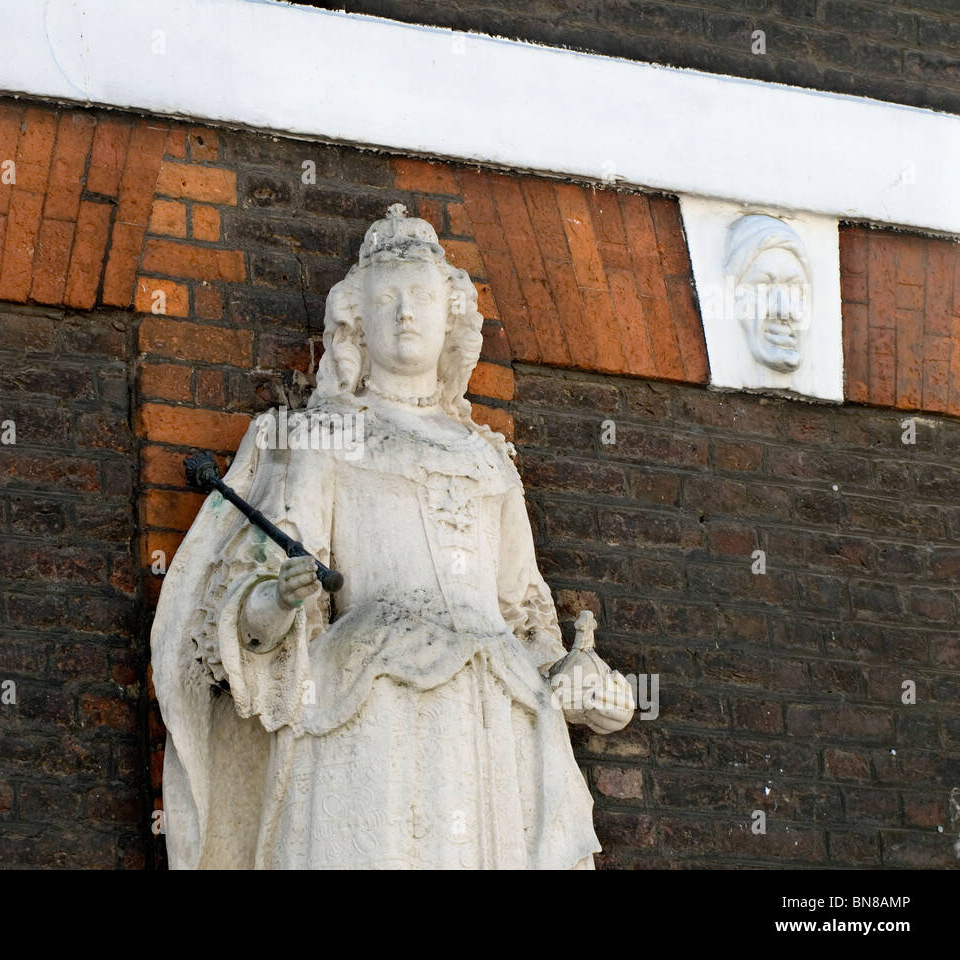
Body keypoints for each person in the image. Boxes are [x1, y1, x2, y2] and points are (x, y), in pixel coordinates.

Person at [152, 205, 633, 869]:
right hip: (370, 705)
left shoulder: (488, 457)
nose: (406, 313)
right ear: (358, 321)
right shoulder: (323, 437)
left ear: (451, 316)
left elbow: (526, 615)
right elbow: (257, 604)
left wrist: (584, 681)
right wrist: (278, 602)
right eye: (387, 299)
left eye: (423, 297)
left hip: (492, 712)